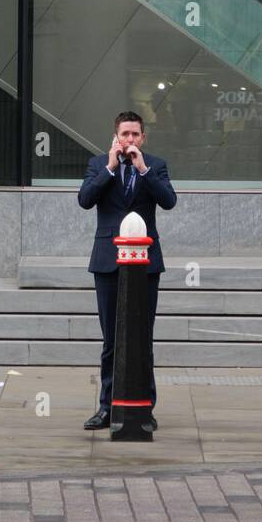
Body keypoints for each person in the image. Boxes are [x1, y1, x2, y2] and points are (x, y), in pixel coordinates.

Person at [78, 111, 177, 431]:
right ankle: (107, 406)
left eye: (135, 135)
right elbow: (85, 199)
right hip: (108, 261)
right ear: (115, 137)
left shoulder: (155, 165)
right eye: (125, 135)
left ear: (143, 138)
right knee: (111, 339)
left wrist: (143, 169)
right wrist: (109, 168)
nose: (130, 140)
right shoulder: (98, 164)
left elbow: (169, 201)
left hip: (146, 264)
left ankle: (144, 407)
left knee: (142, 337)